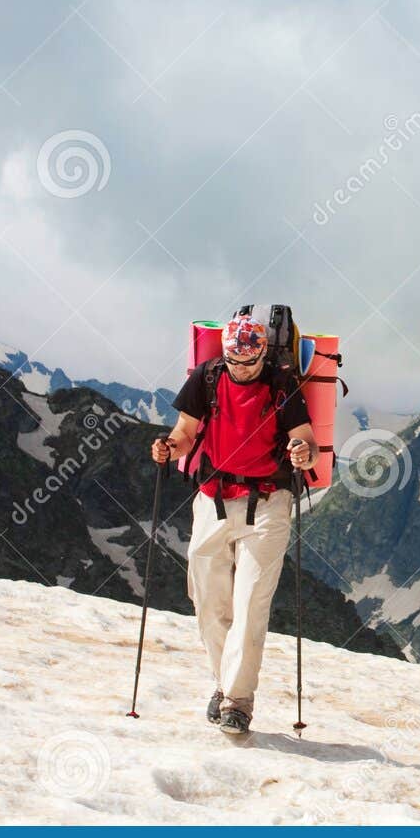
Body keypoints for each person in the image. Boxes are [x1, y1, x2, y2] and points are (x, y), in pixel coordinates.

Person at [151, 312, 318, 735]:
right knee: (207, 601)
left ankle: (238, 700)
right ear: (224, 354)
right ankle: (224, 682)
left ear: (263, 353)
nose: (242, 369)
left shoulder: (281, 385)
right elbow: (187, 430)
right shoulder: (208, 377)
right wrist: (170, 448)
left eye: (250, 361)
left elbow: (307, 440)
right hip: (213, 498)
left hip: (267, 504)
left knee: (250, 605)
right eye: (235, 361)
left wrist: (303, 452)